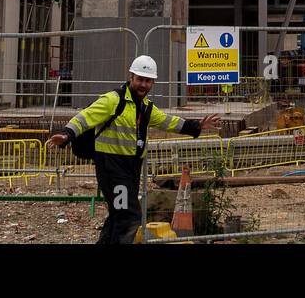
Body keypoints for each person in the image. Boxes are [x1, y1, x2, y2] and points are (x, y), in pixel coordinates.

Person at [47, 55, 220, 244]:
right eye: (140, 79)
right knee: (128, 216)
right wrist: (66, 134)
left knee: (118, 215)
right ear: (131, 77)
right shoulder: (113, 101)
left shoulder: (145, 108)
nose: (143, 85)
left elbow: (168, 121)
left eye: (148, 81)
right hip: (112, 168)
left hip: (131, 169)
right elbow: (84, 117)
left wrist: (196, 126)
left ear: (153, 82)